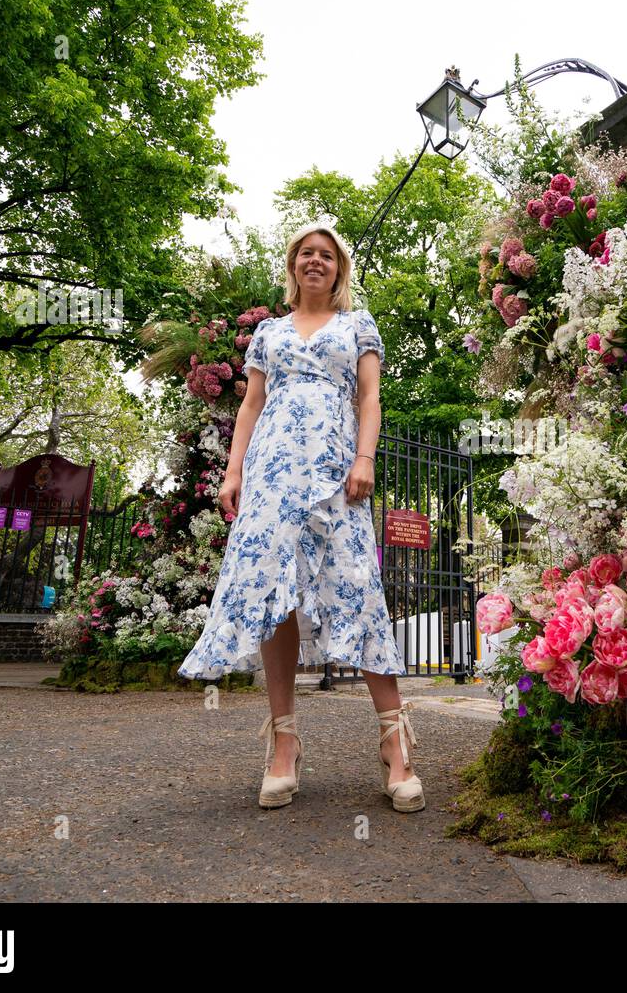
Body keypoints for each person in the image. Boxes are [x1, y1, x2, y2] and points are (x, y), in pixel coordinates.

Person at [177, 221, 424, 813]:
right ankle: (283, 742)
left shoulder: (358, 325)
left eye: (327, 255)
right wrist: (233, 472)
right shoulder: (269, 333)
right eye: (306, 254)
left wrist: (364, 458)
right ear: (293, 266)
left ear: (339, 269)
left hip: (339, 471)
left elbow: (370, 398)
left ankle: (395, 742)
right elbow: (251, 405)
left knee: (359, 586)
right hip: (273, 475)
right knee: (276, 596)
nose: (316, 262)